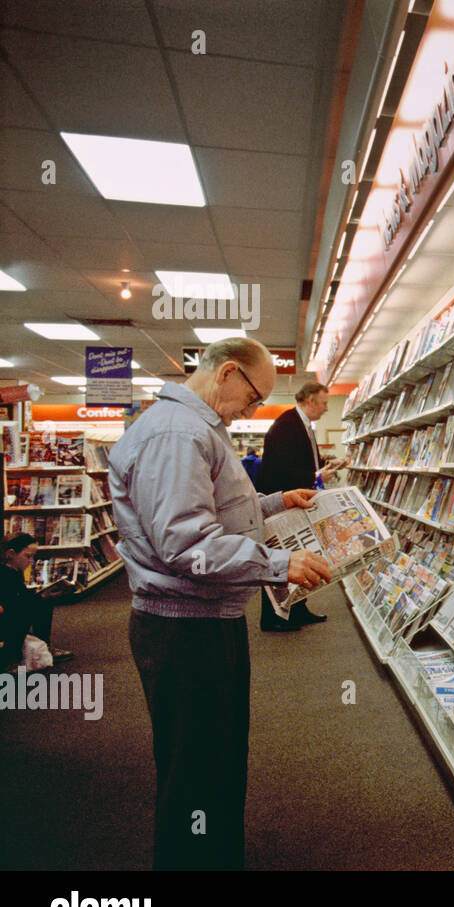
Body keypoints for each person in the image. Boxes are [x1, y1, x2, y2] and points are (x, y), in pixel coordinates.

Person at [108, 337, 332, 870]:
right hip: (185, 630)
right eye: (254, 399)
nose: (250, 413)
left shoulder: (194, 430)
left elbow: (213, 506)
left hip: (205, 623)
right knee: (197, 768)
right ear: (228, 373)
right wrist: (279, 564)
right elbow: (185, 543)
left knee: (215, 757)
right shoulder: (177, 434)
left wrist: (275, 502)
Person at [256, 382, 336, 632]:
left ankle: (297, 610)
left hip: (295, 500)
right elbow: (280, 469)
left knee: (300, 556)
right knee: (280, 559)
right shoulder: (286, 425)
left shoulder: (301, 425)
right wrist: (315, 475)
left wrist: (323, 468)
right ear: (310, 400)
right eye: (323, 403)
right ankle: (274, 617)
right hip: (281, 503)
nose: (325, 409)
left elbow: (300, 459)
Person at [0, 533, 73, 668]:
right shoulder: (5, 574)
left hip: (9, 616)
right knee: (37, 605)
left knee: (41, 602)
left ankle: (43, 645)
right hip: (6, 622)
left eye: (33, 556)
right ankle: (12, 657)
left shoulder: (14, 571)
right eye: (27, 556)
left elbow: (17, 598)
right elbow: (10, 603)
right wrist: (38, 598)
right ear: (11, 553)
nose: (31, 561)